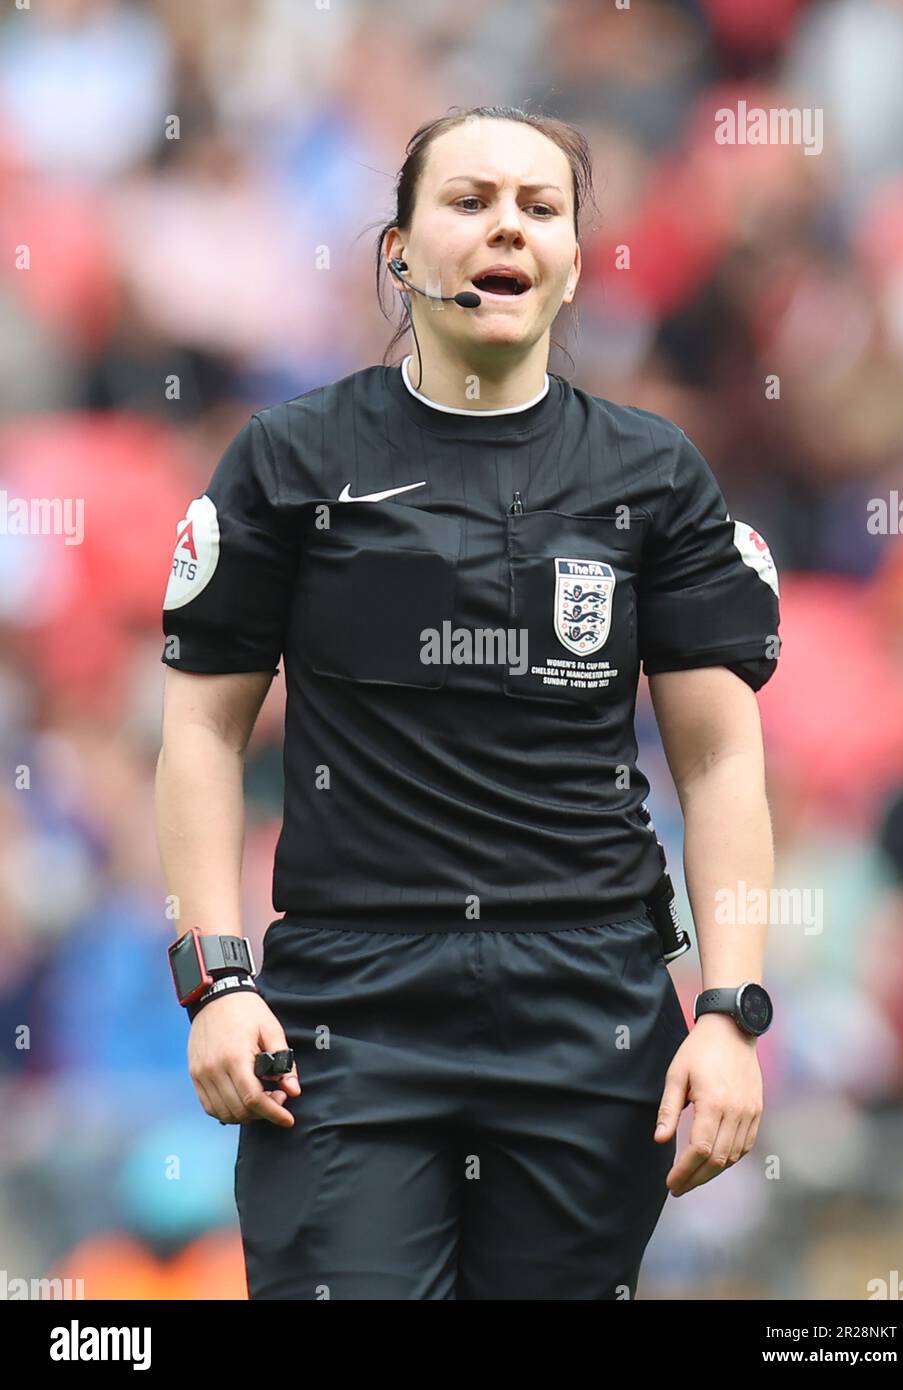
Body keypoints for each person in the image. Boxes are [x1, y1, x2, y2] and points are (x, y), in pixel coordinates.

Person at [156, 104, 781, 1301]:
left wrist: (729, 1012)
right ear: (399, 251)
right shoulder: (289, 460)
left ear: (571, 269)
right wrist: (217, 979)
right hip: (348, 1003)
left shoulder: (653, 476)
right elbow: (198, 731)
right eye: (470, 200)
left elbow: (718, 766)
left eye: (539, 209)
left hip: (586, 1005)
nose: (507, 226)